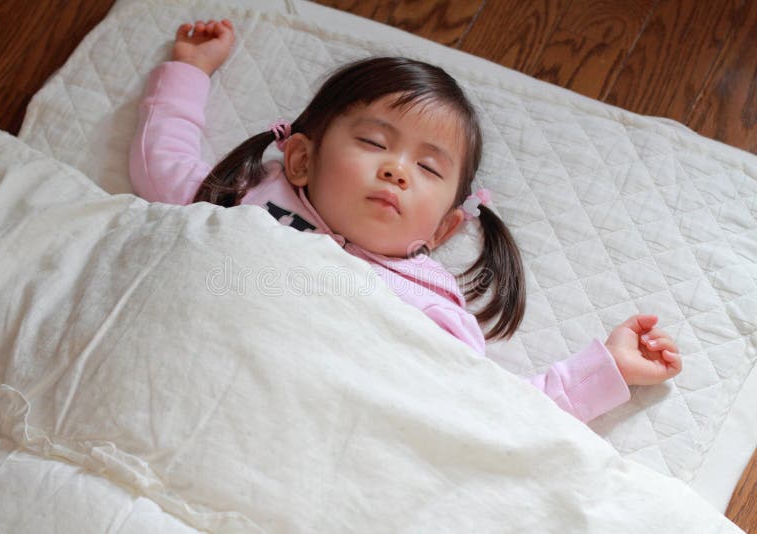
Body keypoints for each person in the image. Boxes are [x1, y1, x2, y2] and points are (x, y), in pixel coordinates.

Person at [129, 19, 683, 423]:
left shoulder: (428, 307)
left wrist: (606, 368)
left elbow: (485, 411)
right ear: (300, 159)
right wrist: (188, 69)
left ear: (439, 231)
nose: (396, 170)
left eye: (426, 168)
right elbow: (162, 165)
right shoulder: (250, 198)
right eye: (373, 142)